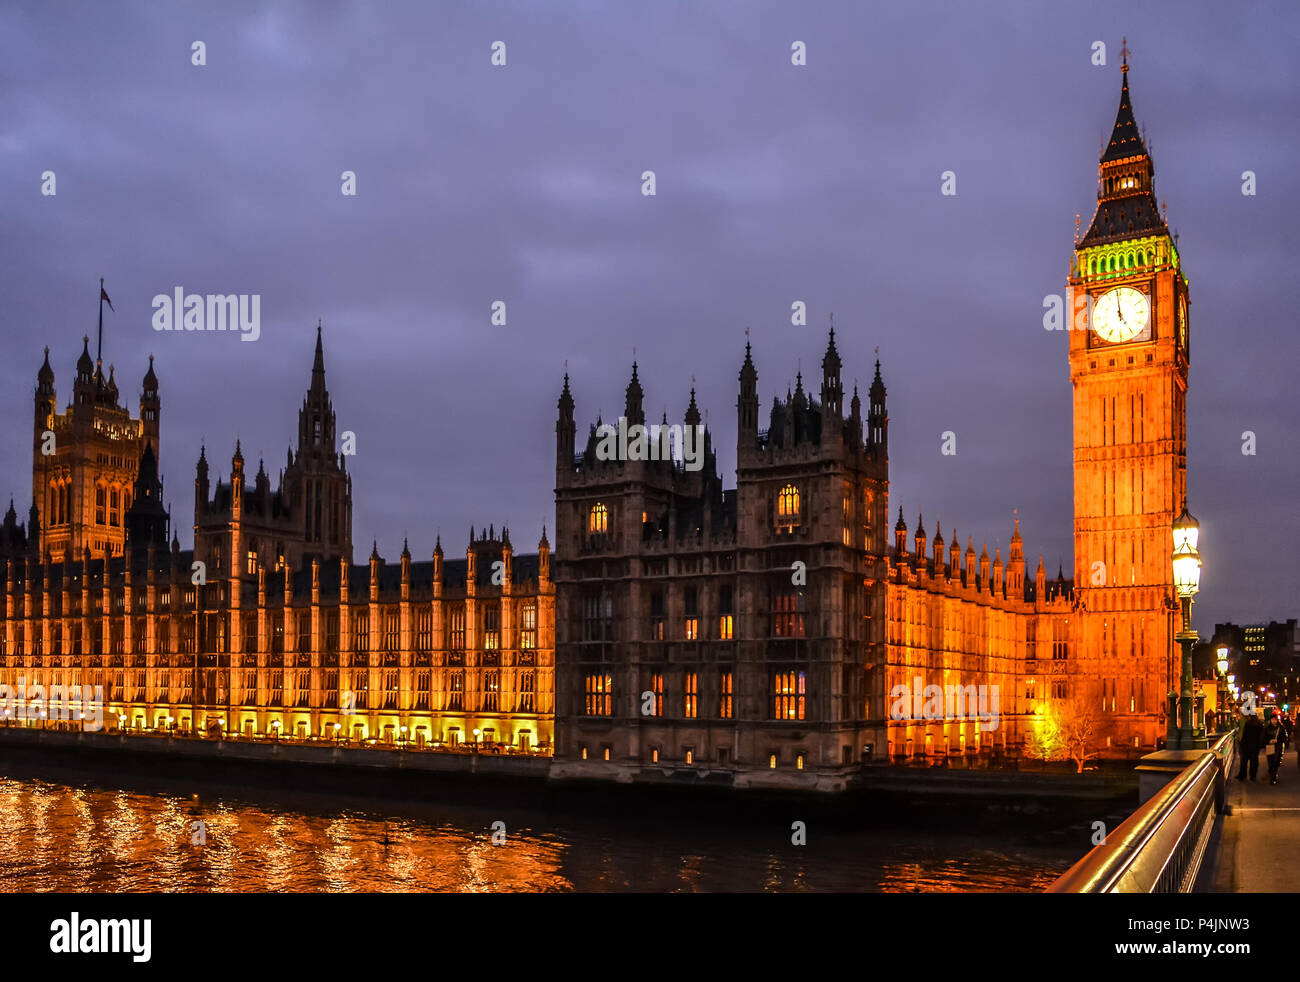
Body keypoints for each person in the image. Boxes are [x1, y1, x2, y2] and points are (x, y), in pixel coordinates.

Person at [1237, 710, 1264, 782]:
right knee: (1254, 761)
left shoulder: (1248, 723)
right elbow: (1261, 735)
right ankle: (1253, 776)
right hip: (1256, 746)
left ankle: (1243, 775)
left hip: (1247, 745)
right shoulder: (1260, 724)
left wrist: (1242, 744)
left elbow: (1245, 735)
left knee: (1244, 761)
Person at [1264, 711, 1286, 785]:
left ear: (1277, 720)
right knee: (1270, 763)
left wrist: (1278, 740)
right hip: (1270, 747)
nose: (1274, 721)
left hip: (1278, 748)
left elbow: (1285, 738)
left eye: (1275, 719)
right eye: (1272, 719)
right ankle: (1272, 775)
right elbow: (1263, 738)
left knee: (1276, 763)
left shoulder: (1281, 728)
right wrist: (1269, 741)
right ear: (1270, 720)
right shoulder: (1267, 728)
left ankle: (1273, 778)